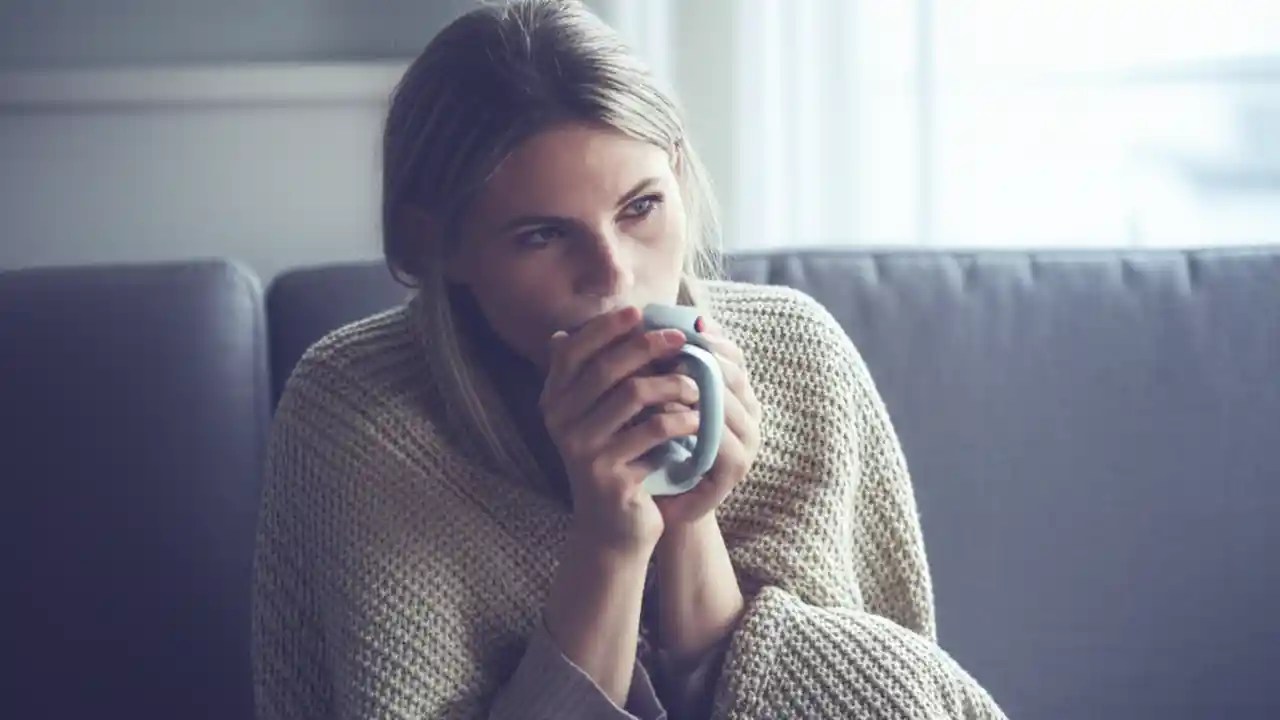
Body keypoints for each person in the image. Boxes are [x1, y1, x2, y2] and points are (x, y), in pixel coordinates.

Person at [251, 1, 1006, 718]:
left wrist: (687, 520)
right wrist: (609, 543)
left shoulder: (800, 358)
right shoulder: (358, 413)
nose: (612, 275)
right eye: (543, 235)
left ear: (676, 174)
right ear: (436, 246)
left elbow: (874, 691)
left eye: (640, 208)